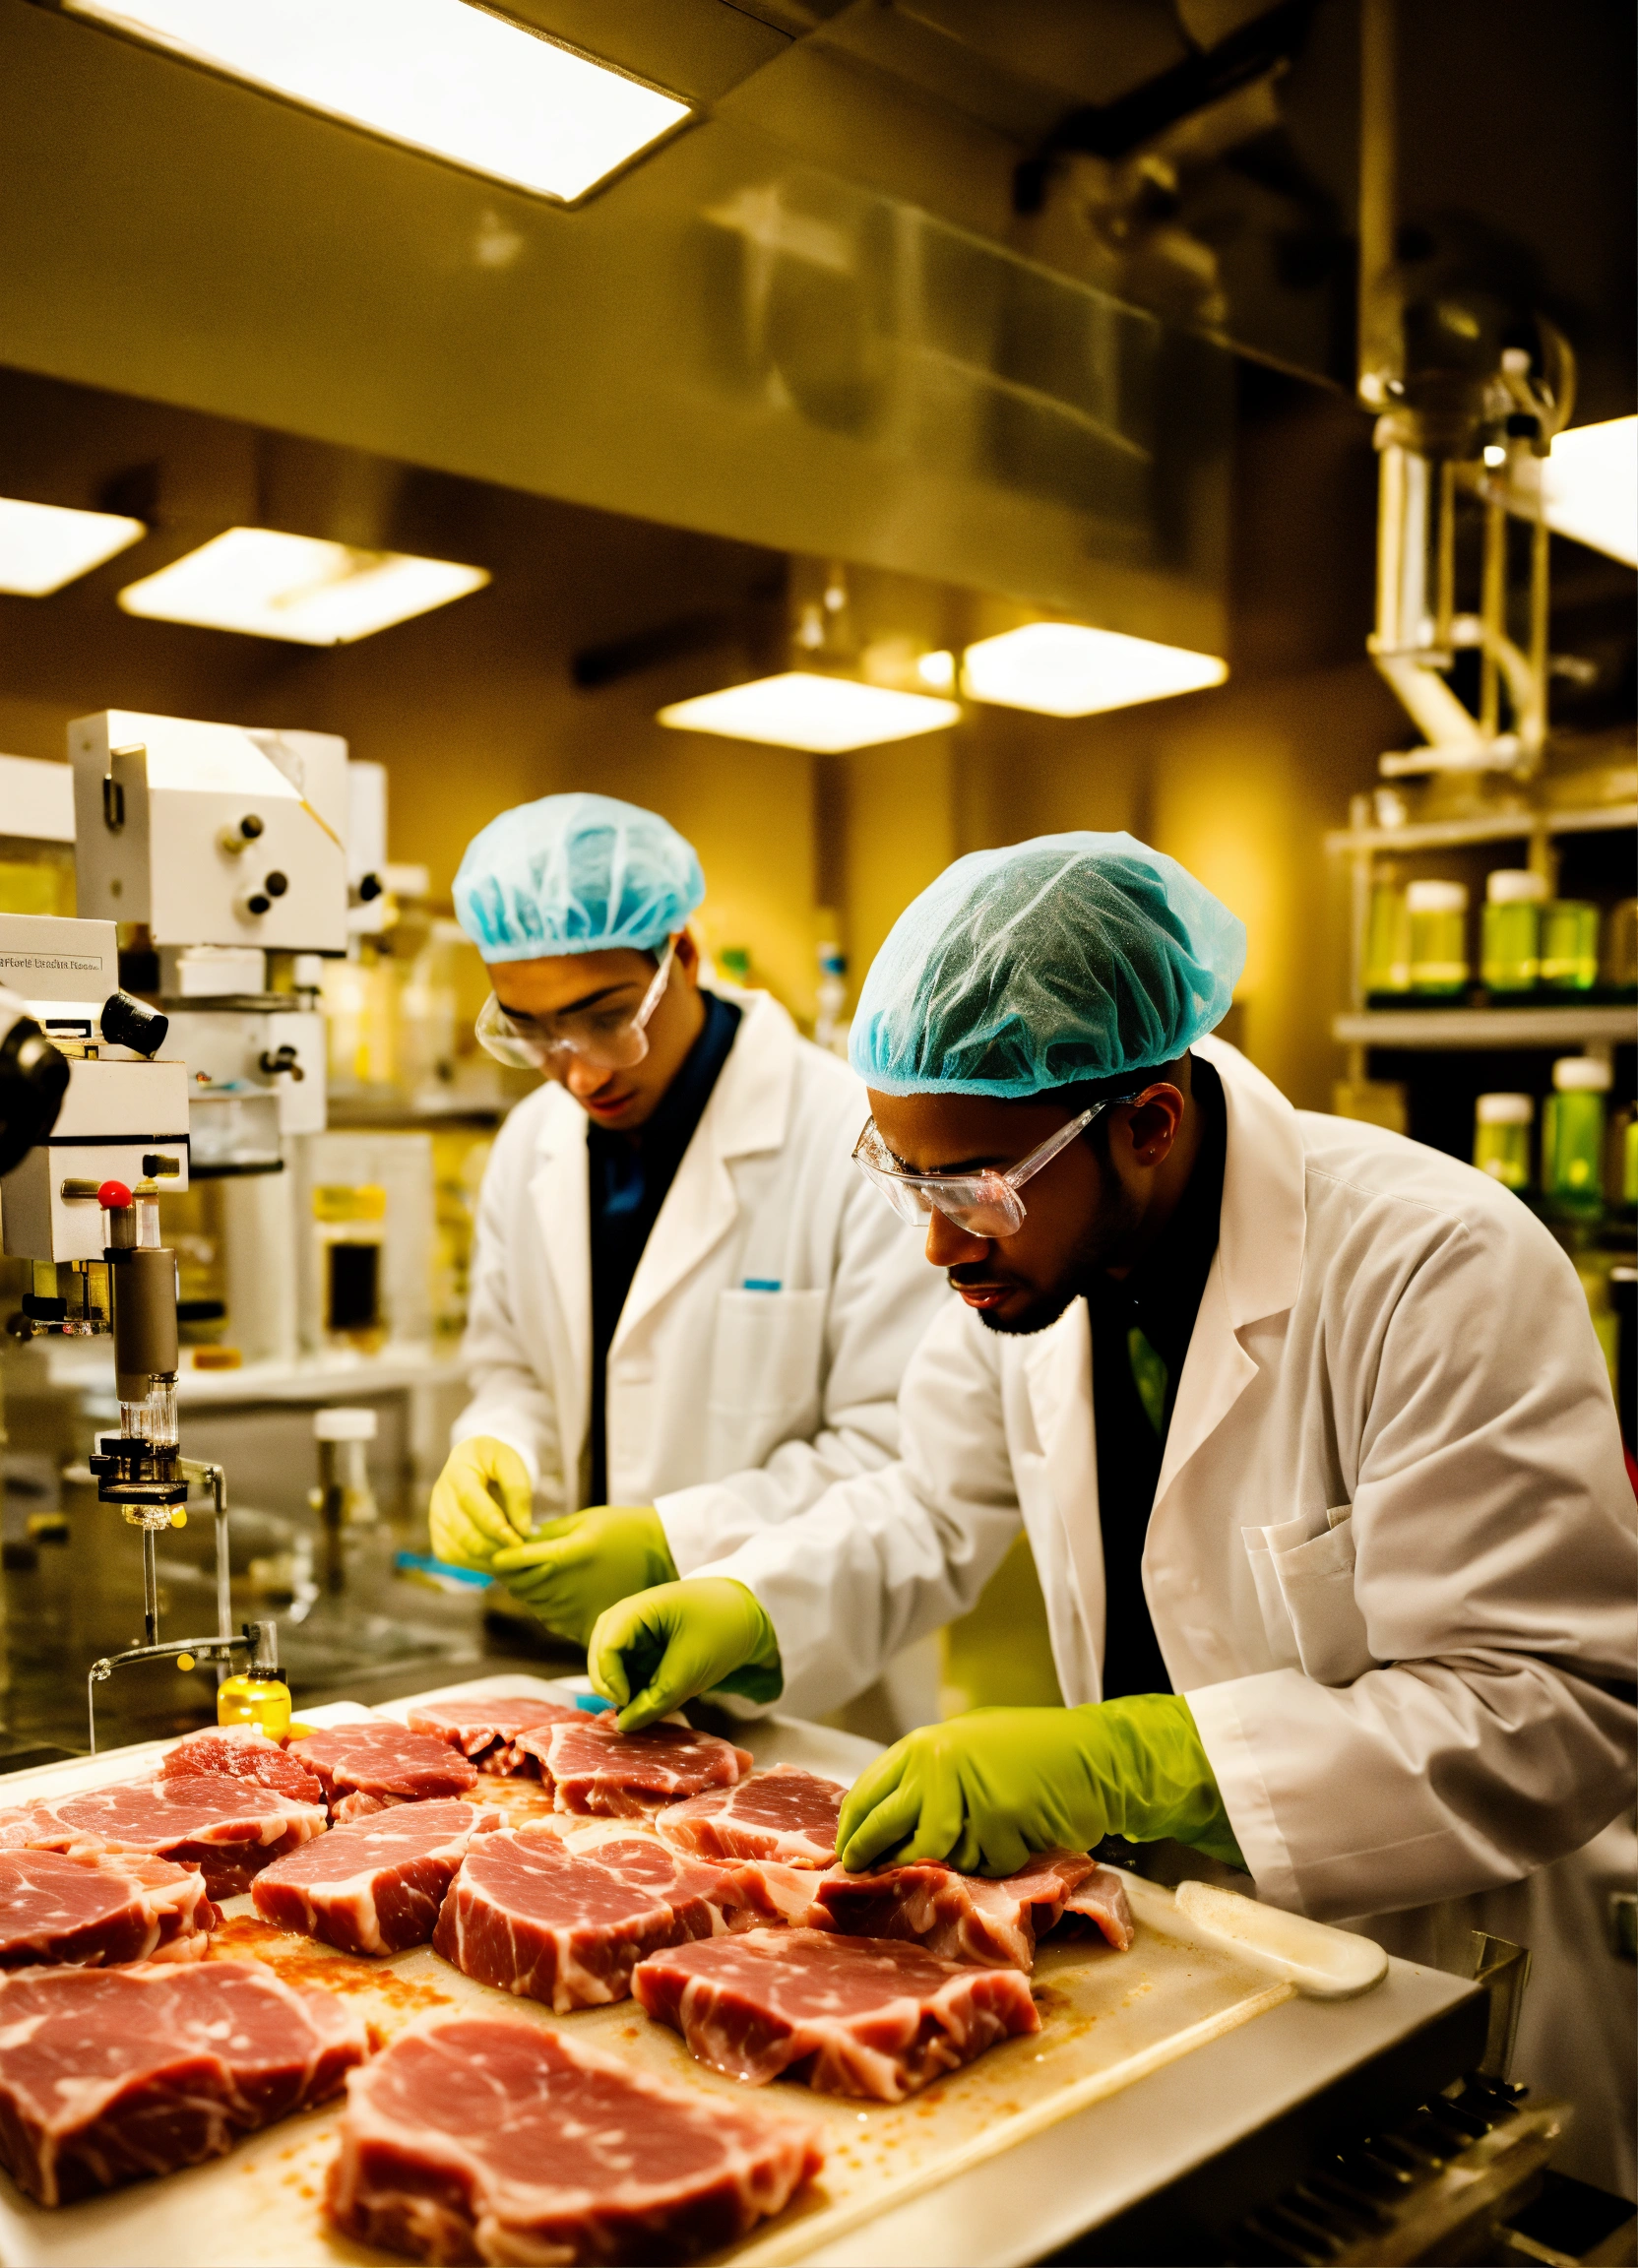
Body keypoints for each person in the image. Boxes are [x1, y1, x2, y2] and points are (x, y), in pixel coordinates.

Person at [585, 831, 1638, 2193]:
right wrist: (752, 1595)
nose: (938, 1244)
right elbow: (930, 1496)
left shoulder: (1435, 1265)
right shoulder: (1025, 1263)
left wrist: (1144, 1756)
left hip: (1431, 1981)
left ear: (1147, 1121)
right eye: (909, 1177)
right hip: (1181, 1956)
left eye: (970, 1186)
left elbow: (1551, 1709)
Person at [427, 791, 944, 1697]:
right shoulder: (531, 1142)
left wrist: (676, 1541)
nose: (579, 1069)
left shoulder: (852, 1140)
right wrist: (498, 1447)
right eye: (534, 1031)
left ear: (685, 956)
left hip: (804, 1677)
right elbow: (512, 1369)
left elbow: (899, 1451)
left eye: (606, 1017)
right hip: (576, 1668)